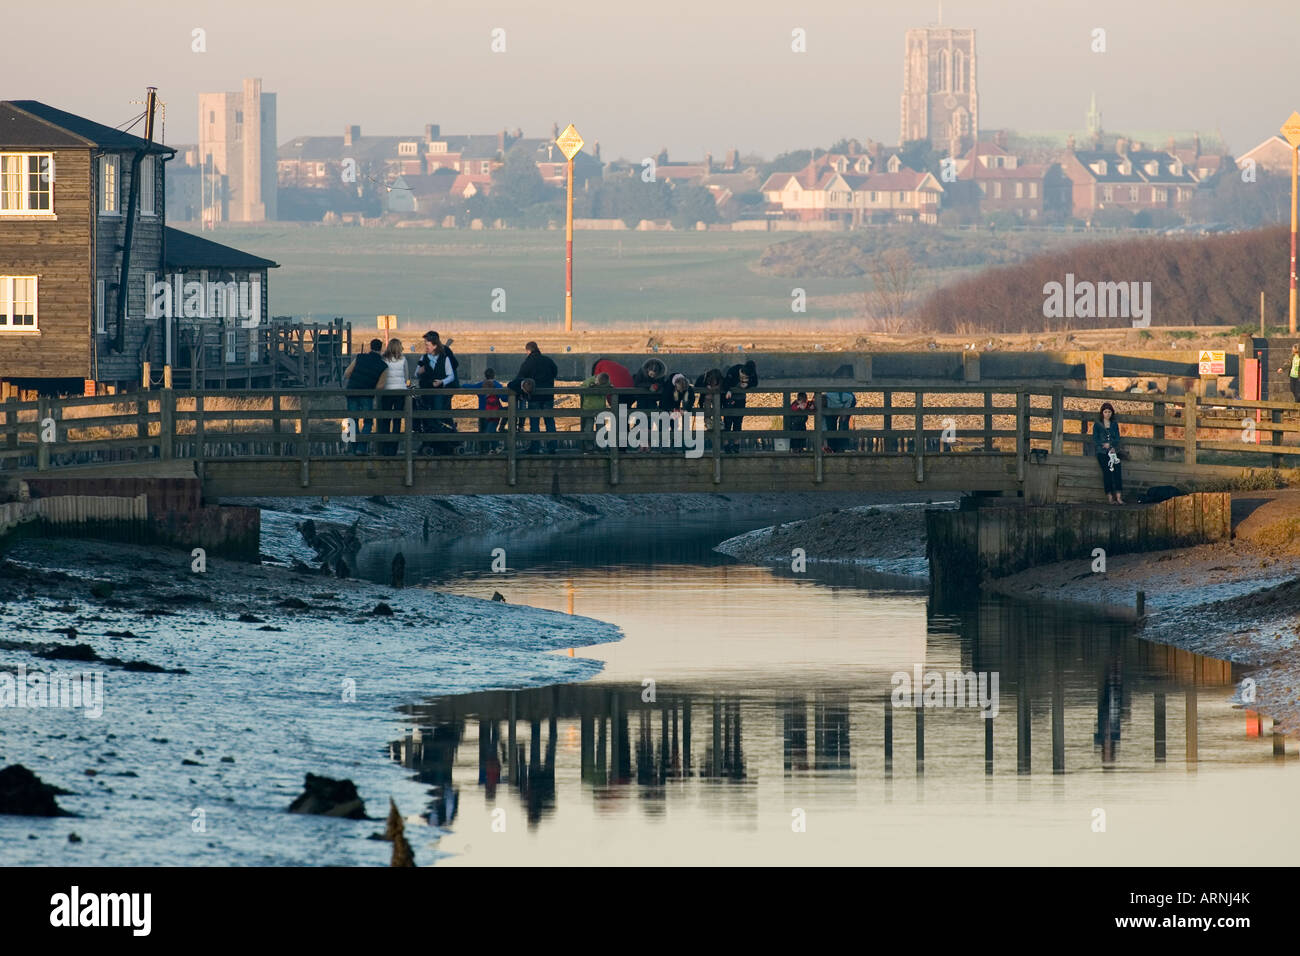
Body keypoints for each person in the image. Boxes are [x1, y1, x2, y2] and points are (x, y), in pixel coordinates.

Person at [341, 338, 387, 455]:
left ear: (370, 347)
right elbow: (380, 386)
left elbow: (347, 373)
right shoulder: (383, 365)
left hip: (352, 391)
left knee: (352, 420)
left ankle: (353, 447)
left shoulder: (360, 357)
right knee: (368, 421)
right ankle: (361, 448)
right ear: (381, 349)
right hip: (367, 394)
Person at [513, 342, 558, 452]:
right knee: (549, 421)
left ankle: (535, 446)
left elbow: (519, 377)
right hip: (548, 396)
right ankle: (552, 447)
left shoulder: (528, 362)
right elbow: (555, 372)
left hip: (534, 396)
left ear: (528, 351)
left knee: (534, 421)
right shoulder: (548, 360)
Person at [377, 338, 408, 455]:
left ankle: (385, 448)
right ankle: (393, 448)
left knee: (385, 420)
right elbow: (406, 376)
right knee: (397, 420)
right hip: (400, 392)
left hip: (387, 392)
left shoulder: (384, 359)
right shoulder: (403, 359)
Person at [721, 360, 757, 453]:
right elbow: (725, 383)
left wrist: (748, 385)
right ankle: (726, 445)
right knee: (727, 422)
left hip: (741, 400)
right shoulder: (733, 370)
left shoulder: (752, 373)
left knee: (738, 422)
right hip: (729, 399)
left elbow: (755, 382)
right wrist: (728, 390)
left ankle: (736, 445)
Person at [1093, 401, 1124, 505]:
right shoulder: (1097, 425)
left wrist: (1112, 446)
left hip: (1113, 451)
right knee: (1107, 472)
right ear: (1102, 413)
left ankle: (1119, 497)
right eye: (1105, 412)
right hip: (1102, 452)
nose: (1107, 414)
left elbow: (1117, 438)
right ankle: (1110, 497)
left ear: (1112, 413)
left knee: (1117, 472)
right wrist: (1103, 444)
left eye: (1109, 412)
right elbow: (1095, 439)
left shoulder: (1114, 424)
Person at [468, 367, 505, 453]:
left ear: (485, 376)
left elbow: (468, 386)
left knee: (484, 432)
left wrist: (459, 386)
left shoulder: (480, 384)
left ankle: (485, 450)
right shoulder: (497, 385)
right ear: (494, 375)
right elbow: (505, 398)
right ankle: (495, 448)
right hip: (494, 412)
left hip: (482, 412)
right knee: (491, 431)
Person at [579, 371, 612, 450]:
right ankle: (589, 446)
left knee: (600, 428)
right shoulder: (589, 381)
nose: (597, 383)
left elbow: (610, 386)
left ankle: (600, 445)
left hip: (599, 408)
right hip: (589, 408)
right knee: (588, 428)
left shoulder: (606, 383)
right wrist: (589, 387)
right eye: (596, 382)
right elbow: (581, 388)